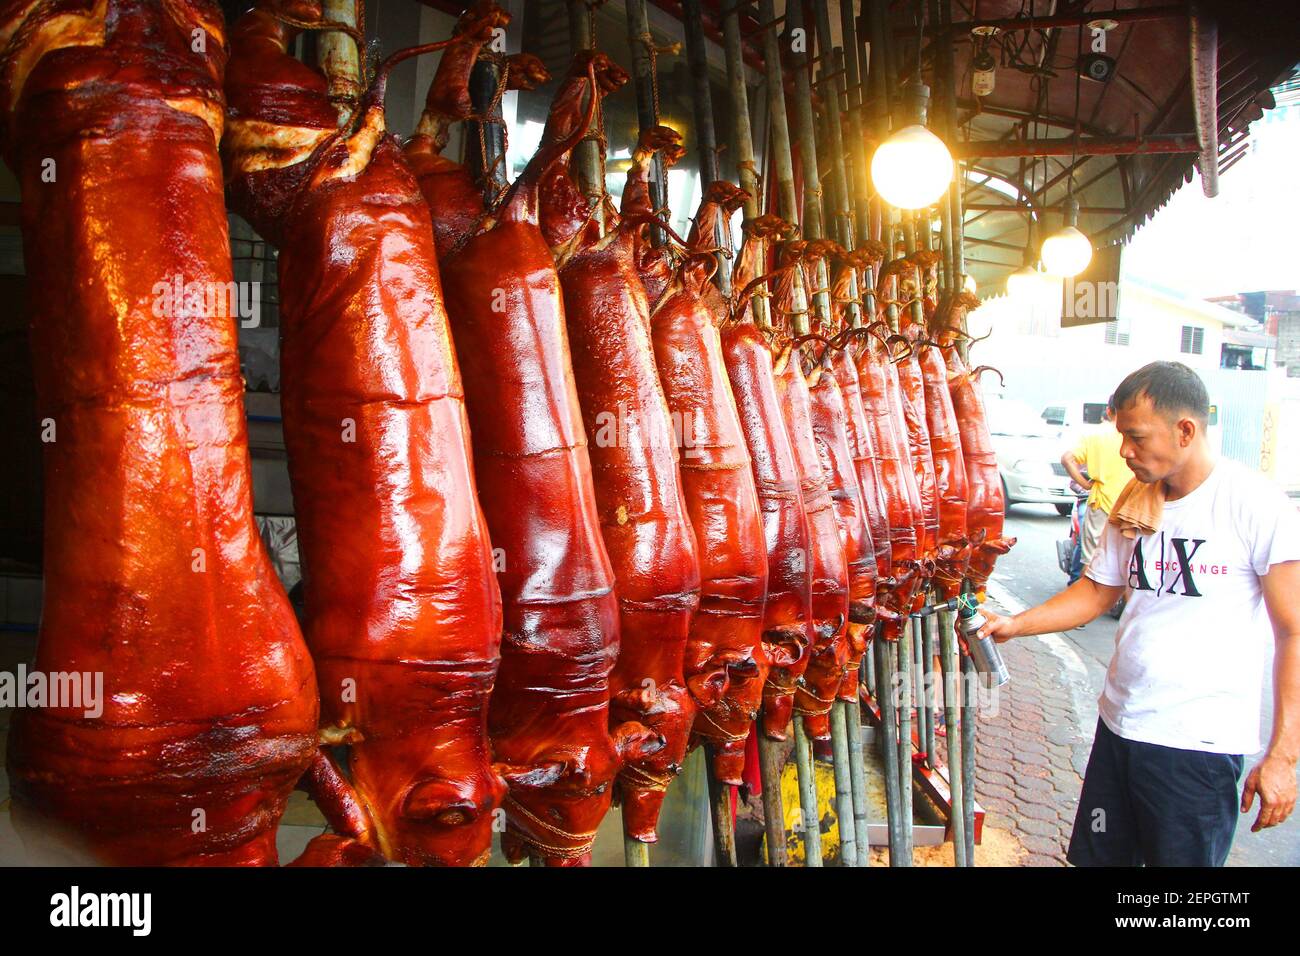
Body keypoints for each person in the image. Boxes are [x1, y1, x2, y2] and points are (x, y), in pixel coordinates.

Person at [979, 361, 1300, 866]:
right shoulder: (1137, 500)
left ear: (1186, 430)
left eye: (1135, 436)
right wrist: (1015, 625)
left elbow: (1292, 632)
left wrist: (1283, 753)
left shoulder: (1254, 504)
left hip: (1196, 748)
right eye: (1120, 435)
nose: (1124, 450)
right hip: (1120, 729)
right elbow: (1096, 591)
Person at [1061, 396, 1132, 581]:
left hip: (1101, 502)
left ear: (1108, 411)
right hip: (1131, 504)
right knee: (1129, 562)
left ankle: (1080, 598)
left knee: (1090, 560)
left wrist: (1084, 484)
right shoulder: (1133, 435)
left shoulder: (1094, 435)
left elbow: (1067, 459)